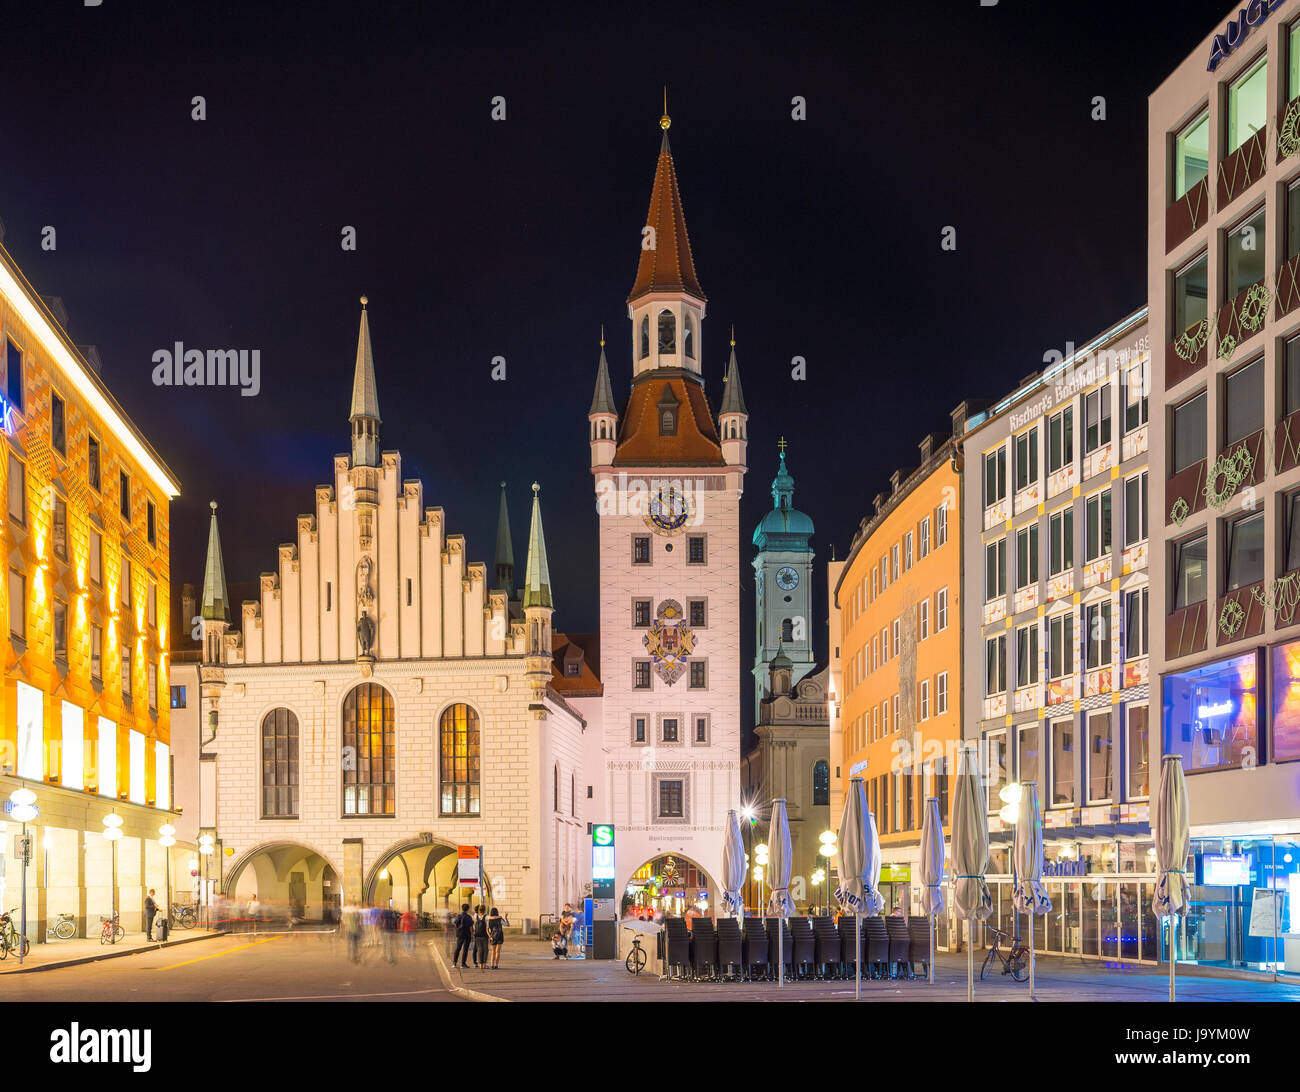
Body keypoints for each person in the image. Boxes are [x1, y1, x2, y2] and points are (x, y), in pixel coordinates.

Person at [452, 903, 473, 968]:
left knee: (458, 948)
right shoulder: (469, 917)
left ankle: (454, 963)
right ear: (468, 909)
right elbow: (471, 926)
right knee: (465, 949)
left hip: (460, 934)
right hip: (467, 934)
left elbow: (455, 923)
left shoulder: (458, 916)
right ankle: (463, 964)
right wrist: (472, 935)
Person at [472, 904, 489, 970]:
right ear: (484, 910)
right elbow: (487, 927)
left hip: (477, 936)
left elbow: (473, 925)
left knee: (480, 950)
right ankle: (484, 964)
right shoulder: (486, 917)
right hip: (485, 936)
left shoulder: (475, 916)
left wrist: (473, 933)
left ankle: (480, 964)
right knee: (485, 950)